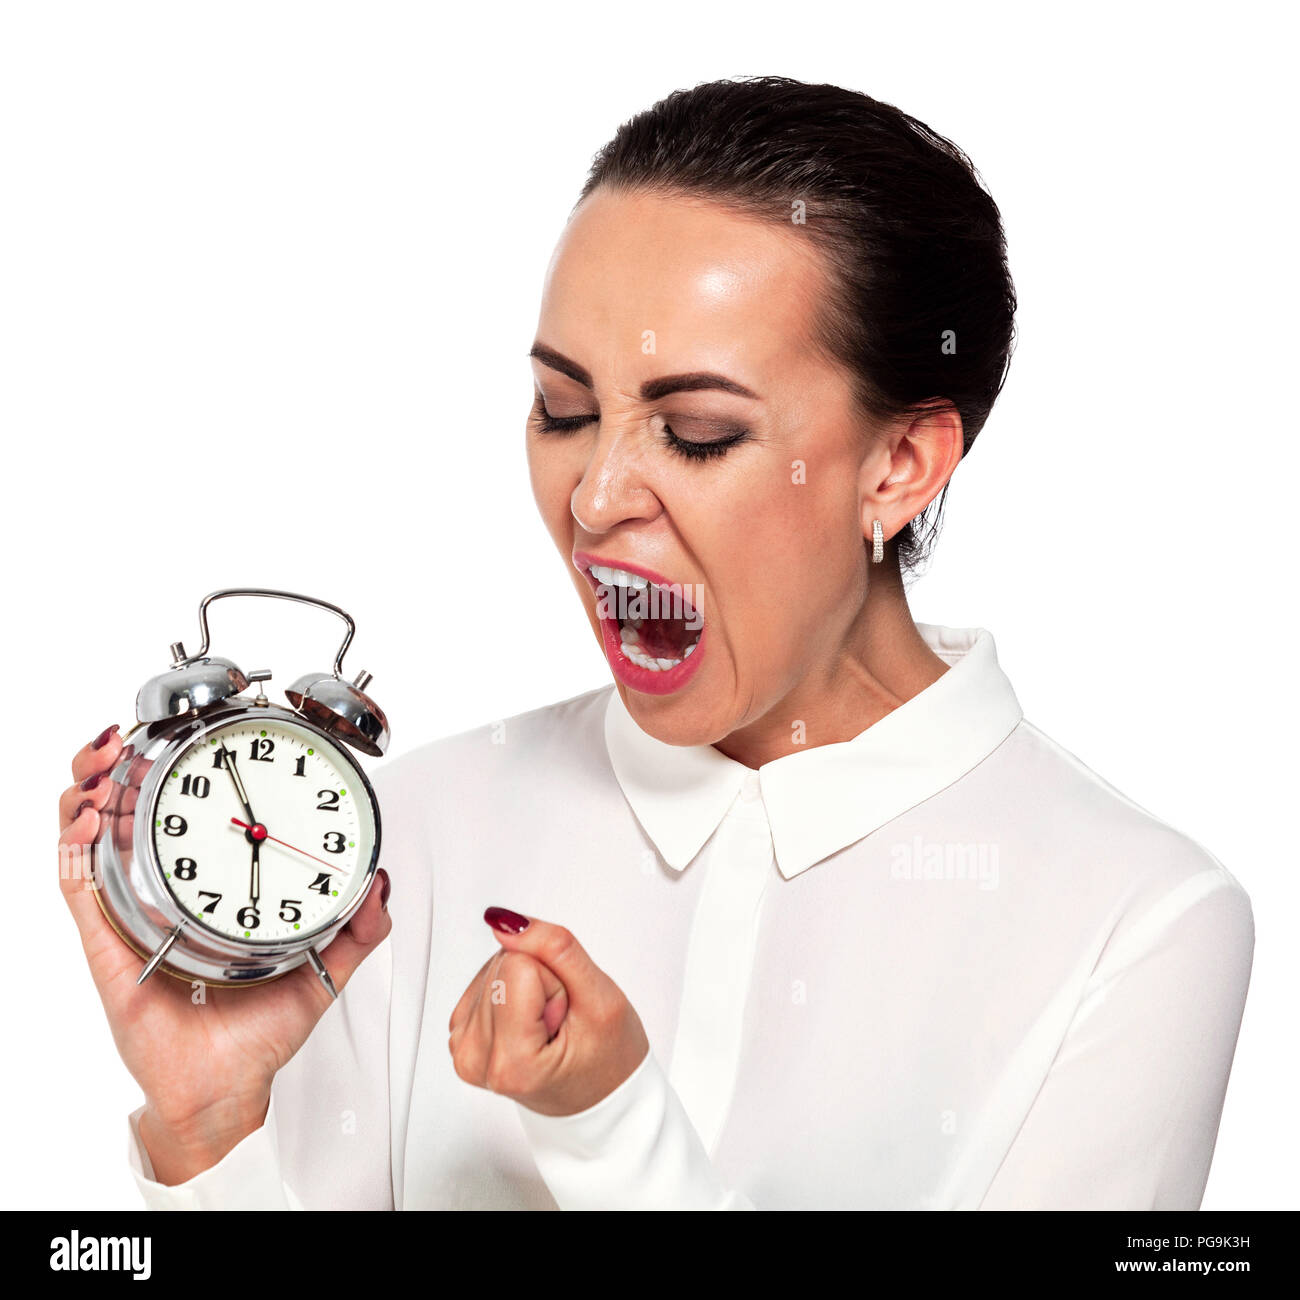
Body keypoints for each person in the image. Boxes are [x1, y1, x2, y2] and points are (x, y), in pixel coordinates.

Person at [58, 76, 1253, 1210]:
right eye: (563, 412)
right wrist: (208, 1127)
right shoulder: (399, 835)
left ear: (898, 464)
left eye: (693, 432)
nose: (593, 497)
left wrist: (610, 1130)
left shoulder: (1143, 923)